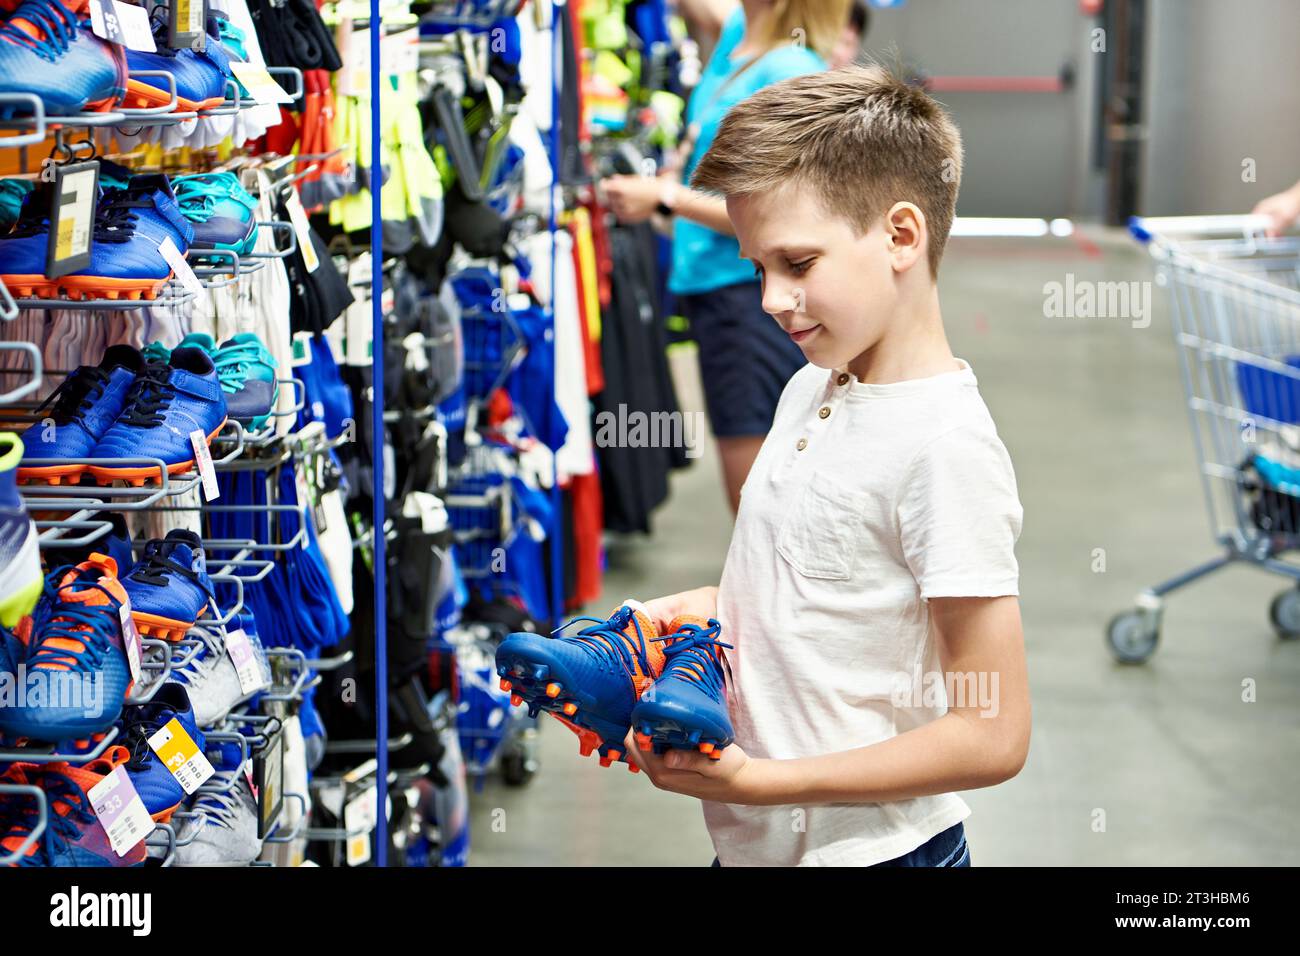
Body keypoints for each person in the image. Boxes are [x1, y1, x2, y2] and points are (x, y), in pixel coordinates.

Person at [623, 64, 1030, 867]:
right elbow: (822, 598)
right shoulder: (808, 389)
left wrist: (761, 783)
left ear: (902, 237)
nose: (771, 298)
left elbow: (995, 733)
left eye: (798, 264)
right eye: (756, 270)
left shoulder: (944, 448)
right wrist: (690, 611)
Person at [602, 0, 849, 516]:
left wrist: (664, 198)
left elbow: (783, 208)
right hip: (719, 291)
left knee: (754, 475)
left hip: (747, 297)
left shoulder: (788, 68)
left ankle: (765, 592)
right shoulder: (744, 34)